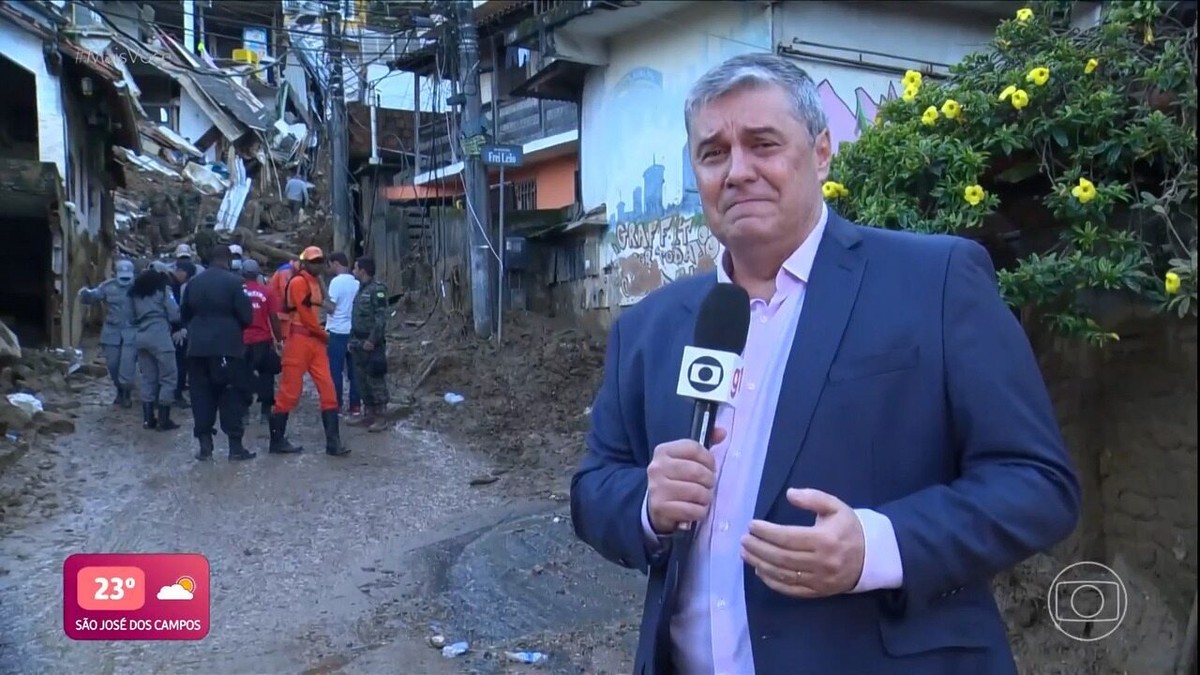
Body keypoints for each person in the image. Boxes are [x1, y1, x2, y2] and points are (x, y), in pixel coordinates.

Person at [569, 53, 1081, 675]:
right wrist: (647, 506)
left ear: (820, 153)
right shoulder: (647, 328)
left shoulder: (935, 281)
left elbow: (1037, 483)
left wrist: (878, 546)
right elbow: (595, 490)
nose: (737, 171)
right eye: (713, 153)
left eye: (763, 144)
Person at [270, 246, 348, 456]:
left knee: (328, 391)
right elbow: (305, 315)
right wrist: (324, 336)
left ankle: (333, 444)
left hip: (314, 341)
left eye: (321, 261)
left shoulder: (314, 282)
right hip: (300, 340)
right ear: (305, 263)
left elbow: (321, 308)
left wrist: (321, 336)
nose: (318, 264)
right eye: (314, 261)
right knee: (290, 392)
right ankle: (276, 441)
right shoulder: (298, 282)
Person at [180, 245, 255, 461]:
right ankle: (235, 447)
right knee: (230, 395)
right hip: (228, 348)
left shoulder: (193, 283)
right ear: (228, 260)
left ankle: (205, 447)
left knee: (200, 395)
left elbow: (184, 313)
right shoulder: (234, 283)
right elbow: (247, 316)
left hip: (197, 349)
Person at [126, 263, 181, 431]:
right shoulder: (163, 290)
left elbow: (130, 317)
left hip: (141, 337)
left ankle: (148, 420)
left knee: (148, 378)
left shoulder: (134, 293)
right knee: (169, 377)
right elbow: (174, 313)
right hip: (160, 336)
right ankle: (164, 420)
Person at [78, 259, 137, 408]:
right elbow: (94, 296)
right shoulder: (108, 286)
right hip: (112, 332)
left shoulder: (138, 287)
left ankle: (126, 394)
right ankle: (119, 390)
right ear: (116, 274)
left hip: (132, 332)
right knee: (113, 365)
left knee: (128, 366)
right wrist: (84, 294)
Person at [345, 256, 390, 432]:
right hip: (357, 341)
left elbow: (381, 319)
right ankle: (369, 413)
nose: (353, 271)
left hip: (371, 343)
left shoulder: (377, 290)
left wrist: (372, 340)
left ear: (362, 270)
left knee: (375, 378)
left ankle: (381, 416)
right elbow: (356, 317)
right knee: (361, 379)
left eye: (355, 268)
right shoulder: (361, 290)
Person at [238, 259, 282, 425]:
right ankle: (265, 410)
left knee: (242, 375)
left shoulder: (237, 292)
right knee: (267, 375)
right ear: (257, 274)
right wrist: (279, 339)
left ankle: (244, 412)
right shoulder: (267, 291)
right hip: (262, 340)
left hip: (242, 341)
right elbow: (274, 318)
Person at [324, 252, 361, 415]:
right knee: (354, 371)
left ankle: (336, 404)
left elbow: (331, 308)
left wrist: (322, 301)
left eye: (330, 265)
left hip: (337, 331)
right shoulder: (357, 282)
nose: (329, 268)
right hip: (353, 331)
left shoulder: (336, 282)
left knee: (335, 371)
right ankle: (355, 406)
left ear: (336, 263)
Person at [169, 260, 197, 408]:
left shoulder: (173, 284)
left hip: (169, 328)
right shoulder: (170, 286)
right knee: (179, 362)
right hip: (170, 329)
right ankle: (175, 394)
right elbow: (173, 310)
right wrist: (179, 327)